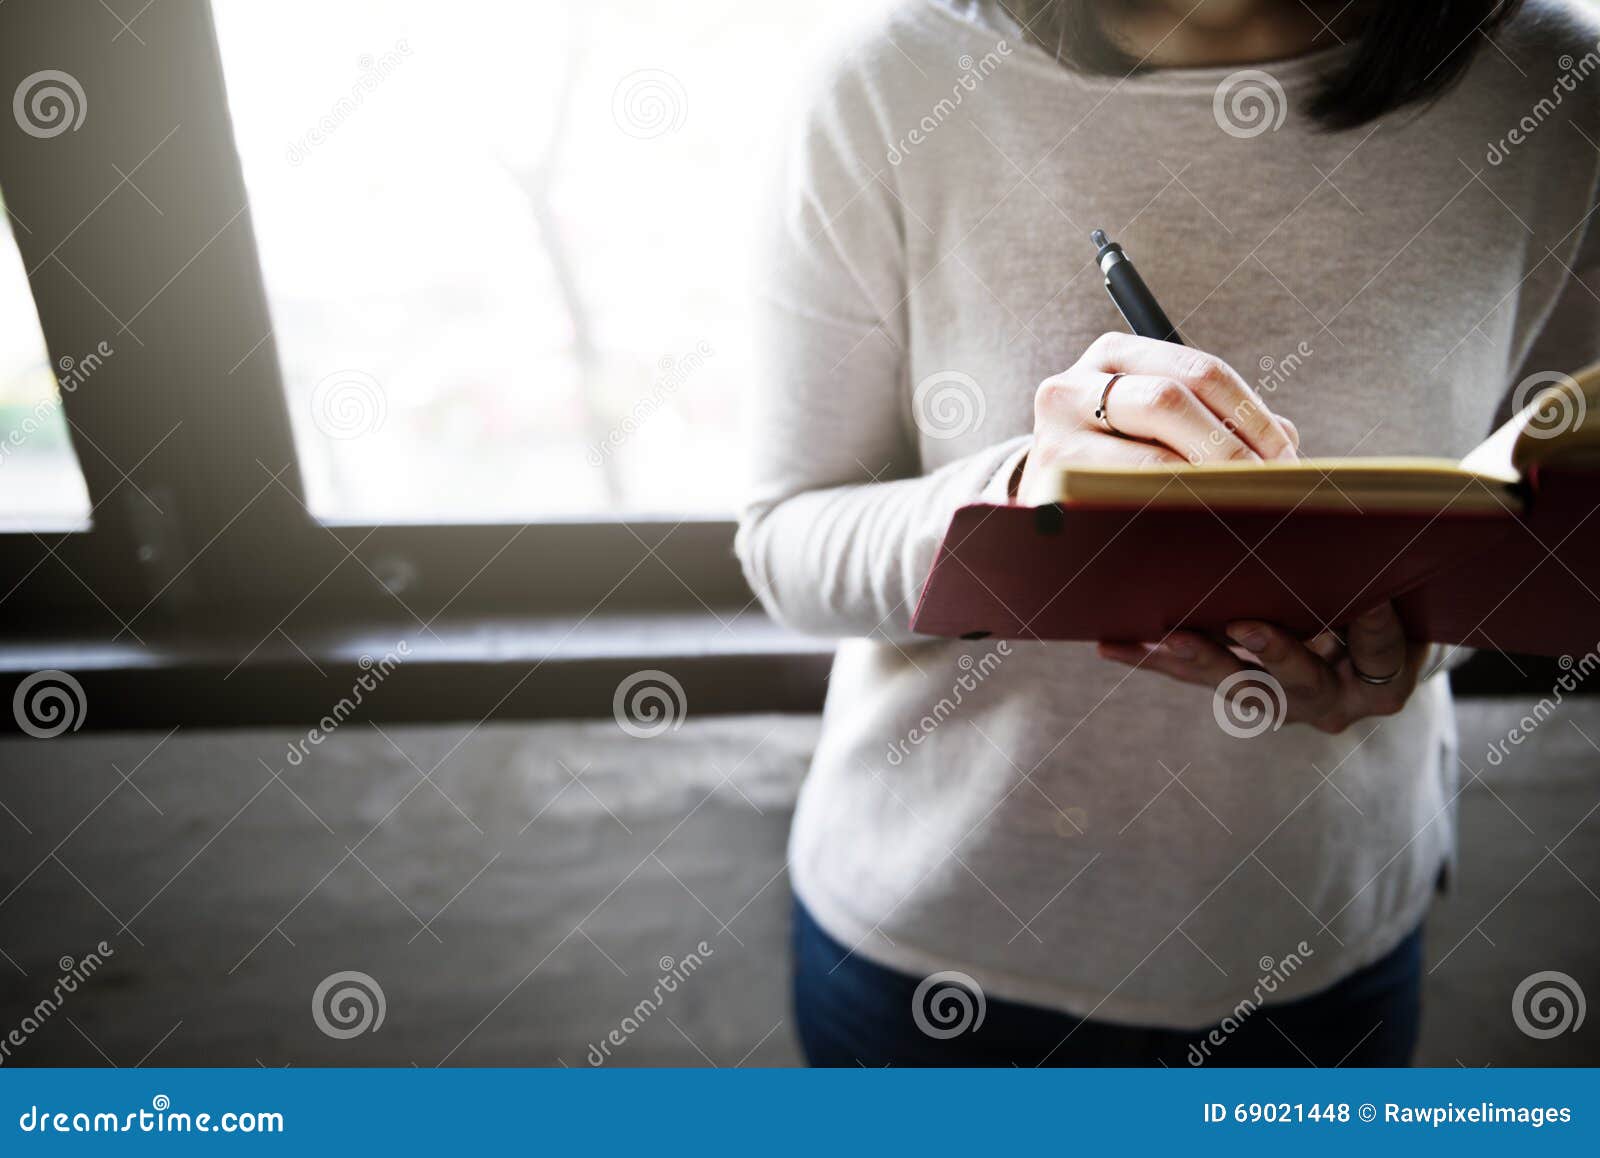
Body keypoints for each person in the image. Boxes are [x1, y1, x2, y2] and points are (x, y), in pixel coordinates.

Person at [736, 0, 1600, 1066]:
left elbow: (1545, 519)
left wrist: (1409, 654)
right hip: (936, 956)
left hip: (1323, 939)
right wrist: (1013, 499)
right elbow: (784, 543)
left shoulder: (1554, 92)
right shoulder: (892, 80)